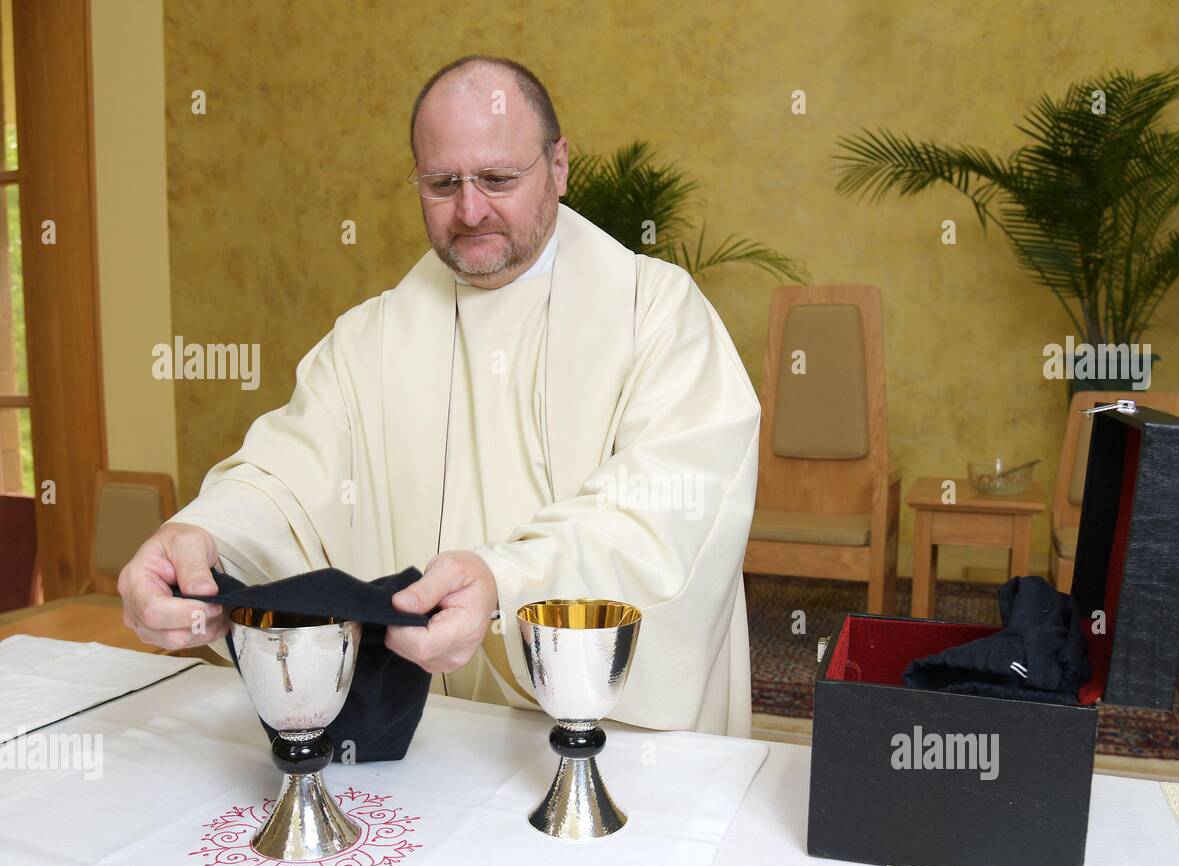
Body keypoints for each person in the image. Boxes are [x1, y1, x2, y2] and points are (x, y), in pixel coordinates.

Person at [118, 54, 760, 737]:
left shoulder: (654, 314)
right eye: (442, 182)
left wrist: (504, 585)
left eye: (498, 178)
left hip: (607, 739)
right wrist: (204, 537)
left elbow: (665, 513)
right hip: (431, 739)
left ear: (560, 165)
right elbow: (287, 484)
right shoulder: (372, 337)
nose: (470, 209)